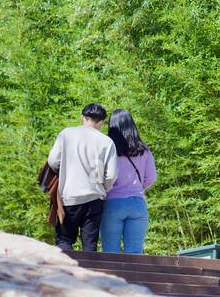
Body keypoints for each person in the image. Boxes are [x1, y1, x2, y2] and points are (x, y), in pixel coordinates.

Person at [46, 103, 118, 253]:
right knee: (90, 244)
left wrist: (64, 171)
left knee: (64, 240)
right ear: (102, 122)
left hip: (69, 196)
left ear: (82, 118)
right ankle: (89, 275)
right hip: (94, 199)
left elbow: (52, 161)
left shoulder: (66, 134)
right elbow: (111, 175)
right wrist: (103, 189)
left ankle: (65, 273)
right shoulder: (107, 142)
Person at [100, 109, 157, 254]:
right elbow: (151, 178)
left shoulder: (108, 149)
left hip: (112, 202)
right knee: (135, 253)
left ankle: (111, 277)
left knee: (110, 253)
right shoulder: (144, 150)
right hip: (137, 203)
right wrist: (137, 188)